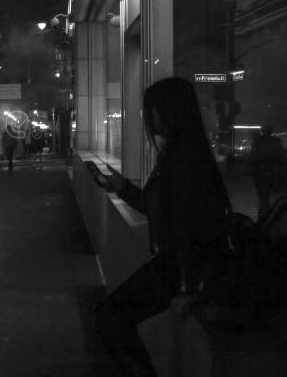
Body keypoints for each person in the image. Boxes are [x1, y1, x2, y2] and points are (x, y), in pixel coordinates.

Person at [93, 77, 231, 376]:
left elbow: (193, 228)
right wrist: (123, 188)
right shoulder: (180, 154)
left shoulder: (184, 160)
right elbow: (162, 211)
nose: (148, 116)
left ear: (170, 110)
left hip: (177, 268)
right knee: (111, 317)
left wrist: (190, 289)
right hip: (173, 264)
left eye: (152, 109)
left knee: (109, 318)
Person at [248, 125, 286, 219]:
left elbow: (253, 156)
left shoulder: (258, 141)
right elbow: (281, 155)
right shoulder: (276, 141)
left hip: (261, 172)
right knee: (273, 195)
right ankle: (272, 216)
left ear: (263, 131)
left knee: (263, 197)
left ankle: (264, 216)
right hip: (273, 171)